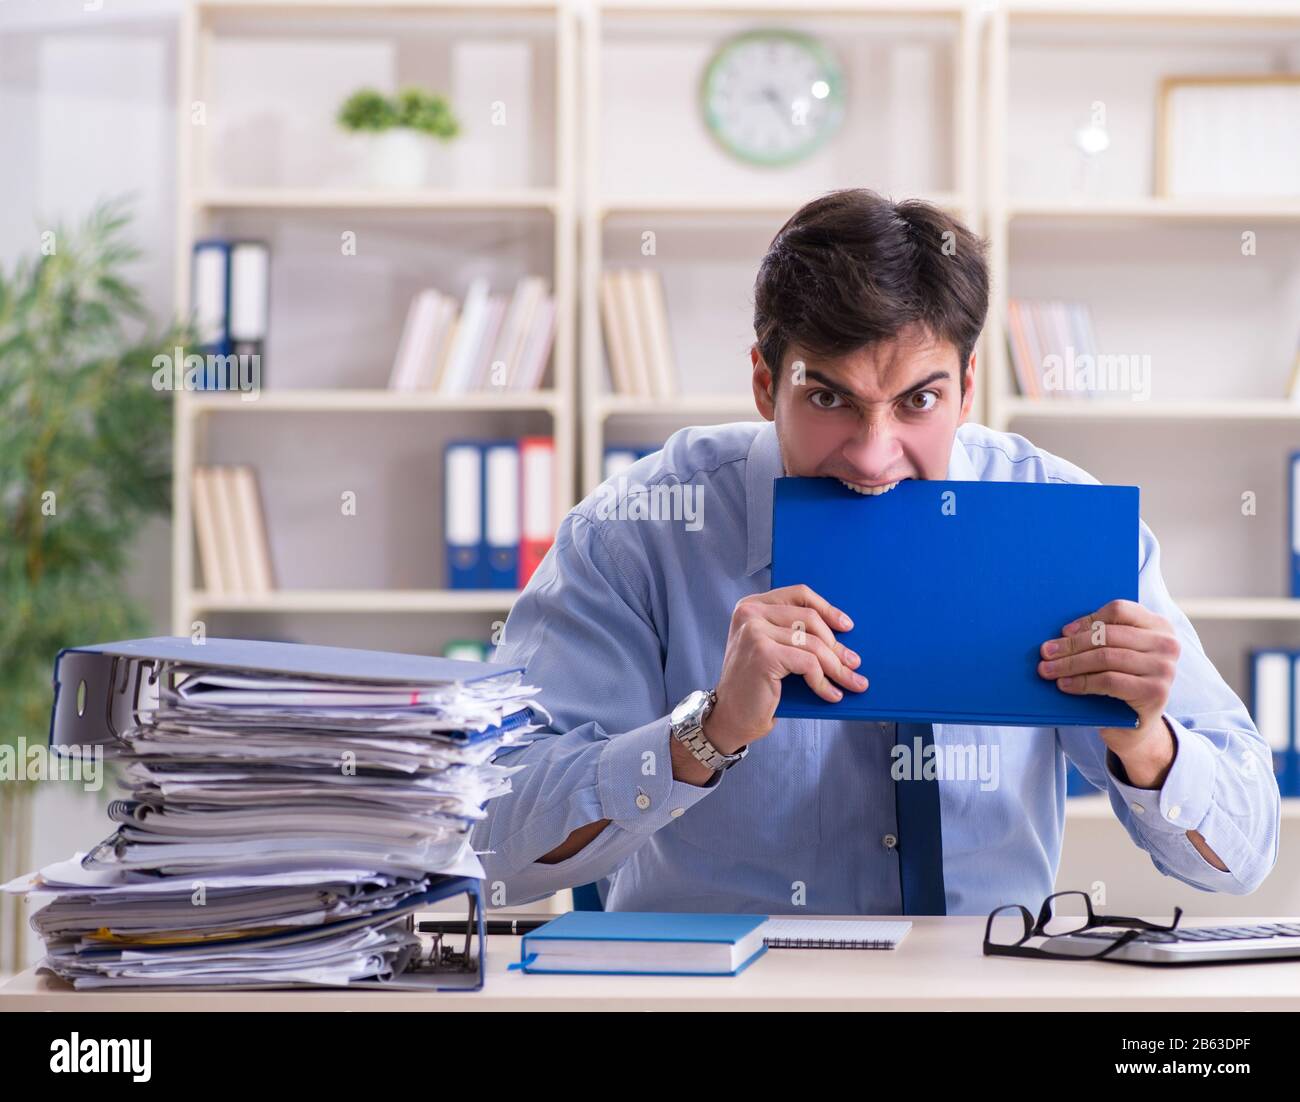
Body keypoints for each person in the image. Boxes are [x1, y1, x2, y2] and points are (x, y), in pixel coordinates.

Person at [471, 188, 1280, 915]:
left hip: (981, 997)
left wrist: (1147, 743)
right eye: (829, 398)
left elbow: (1244, 858)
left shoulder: (1061, 521)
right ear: (764, 384)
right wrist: (707, 733)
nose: (872, 454)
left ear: (967, 389)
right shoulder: (637, 529)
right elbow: (491, 843)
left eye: (918, 401)